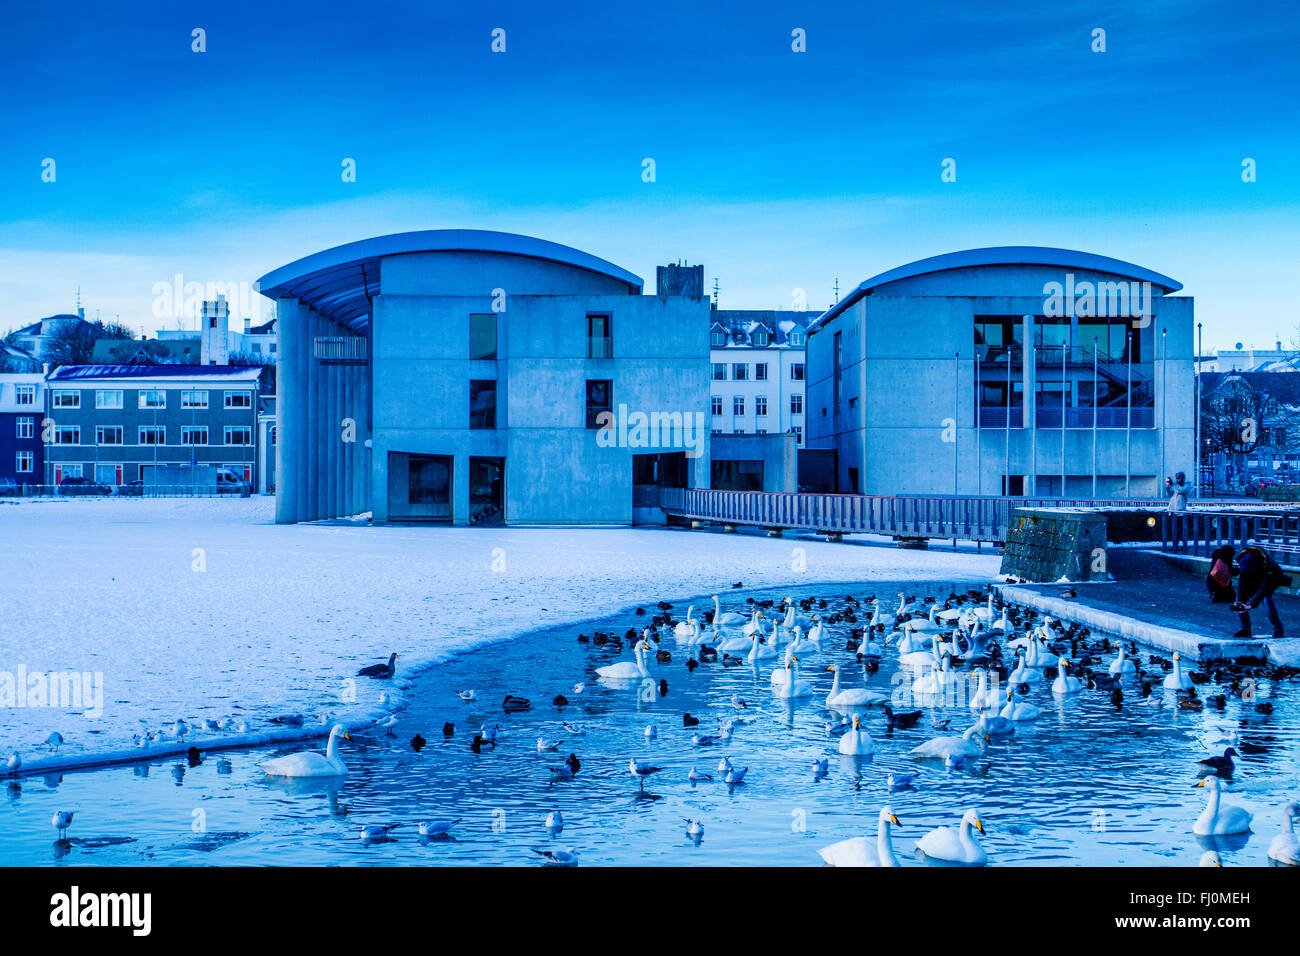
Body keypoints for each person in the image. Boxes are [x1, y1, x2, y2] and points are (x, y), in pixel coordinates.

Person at [1231, 545, 1289, 638]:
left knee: (1266, 599)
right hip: (1255, 578)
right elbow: (1242, 583)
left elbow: (1264, 589)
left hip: (1272, 578)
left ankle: (1278, 630)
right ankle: (1245, 629)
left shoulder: (1267, 566)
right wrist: (1240, 601)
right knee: (1239, 601)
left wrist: (1252, 604)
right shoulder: (1244, 564)